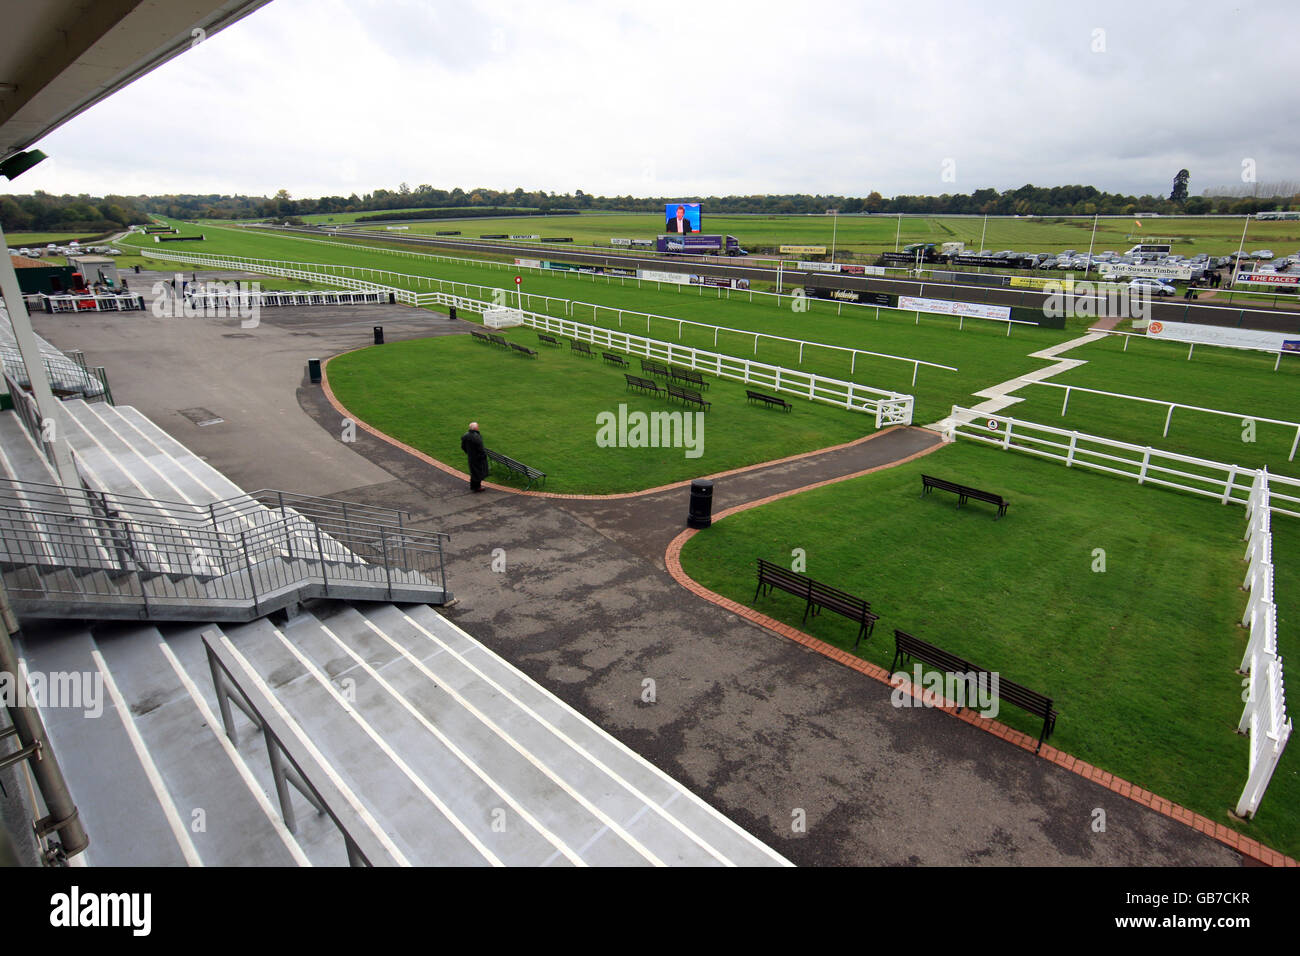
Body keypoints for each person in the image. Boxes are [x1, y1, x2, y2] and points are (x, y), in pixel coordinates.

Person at [461, 421, 489, 492]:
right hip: (478, 458)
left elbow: (463, 446)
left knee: (473, 472)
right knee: (478, 472)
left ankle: (473, 486)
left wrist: (468, 453)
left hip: (471, 457)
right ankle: (477, 487)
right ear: (476, 428)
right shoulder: (477, 437)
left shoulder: (465, 435)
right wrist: (483, 456)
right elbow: (481, 449)